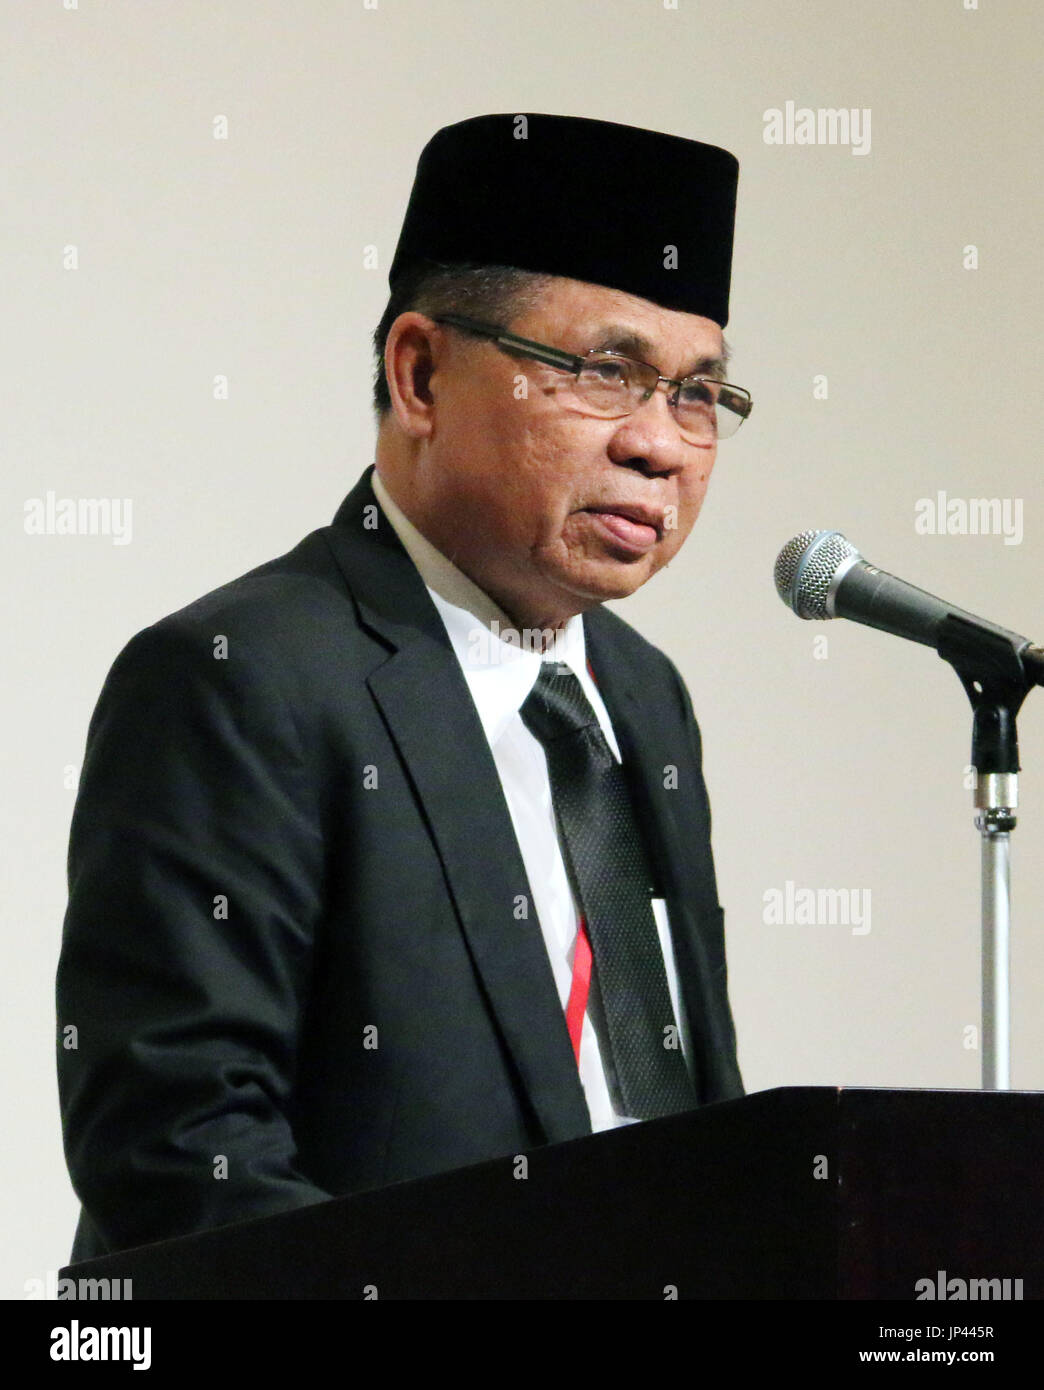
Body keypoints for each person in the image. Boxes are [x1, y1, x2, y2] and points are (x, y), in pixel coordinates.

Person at [56, 112, 749, 1263]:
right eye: (608, 371)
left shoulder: (642, 696)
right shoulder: (242, 678)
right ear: (420, 371)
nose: (661, 445)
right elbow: (180, 1149)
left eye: (697, 394)